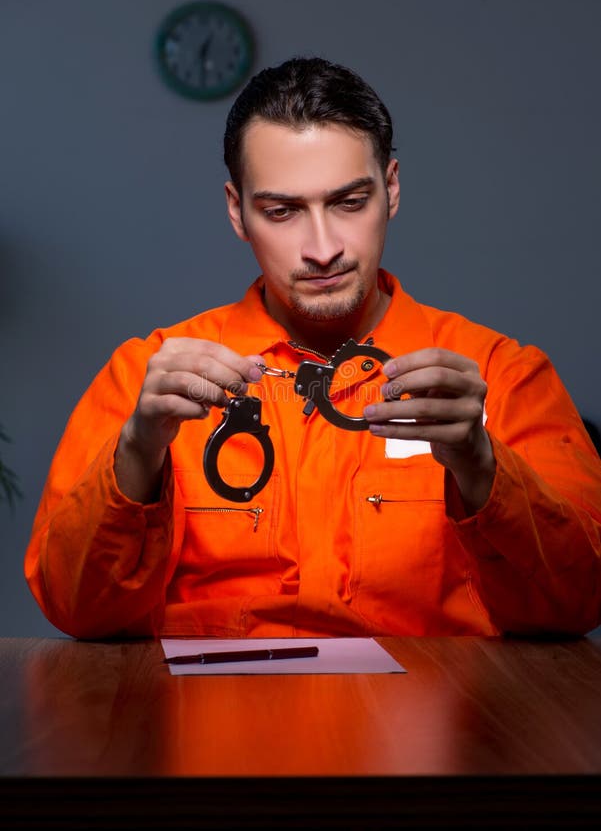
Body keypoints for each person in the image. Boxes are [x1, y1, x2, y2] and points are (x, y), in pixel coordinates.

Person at [25, 57, 601, 640]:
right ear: (237, 211)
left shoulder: (503, 375)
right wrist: (138, 452)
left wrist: (480, 465)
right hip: (217, 717)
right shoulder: (147, 378)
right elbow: (78, 612)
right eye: (282, 211)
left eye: (350, 202)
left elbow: (579, 604)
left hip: (431, 715)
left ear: (392, 188)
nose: (322, 248)